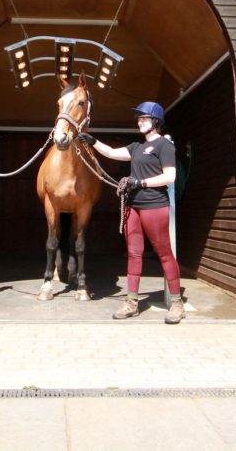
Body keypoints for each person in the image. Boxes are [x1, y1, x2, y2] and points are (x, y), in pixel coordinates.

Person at [78, 102, 184, 324]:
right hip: (132, 207)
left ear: (156, 121)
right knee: (134, 254)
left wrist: (140, 182)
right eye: (138, 119)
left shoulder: (164, 145)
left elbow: (170, 176)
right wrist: (92, 141)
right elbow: (111, 153)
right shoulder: (136, 147)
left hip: (155, 205)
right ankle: (132, 302)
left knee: (164, 253)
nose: (139, 122)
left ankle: (176, 303)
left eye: (144, 118)